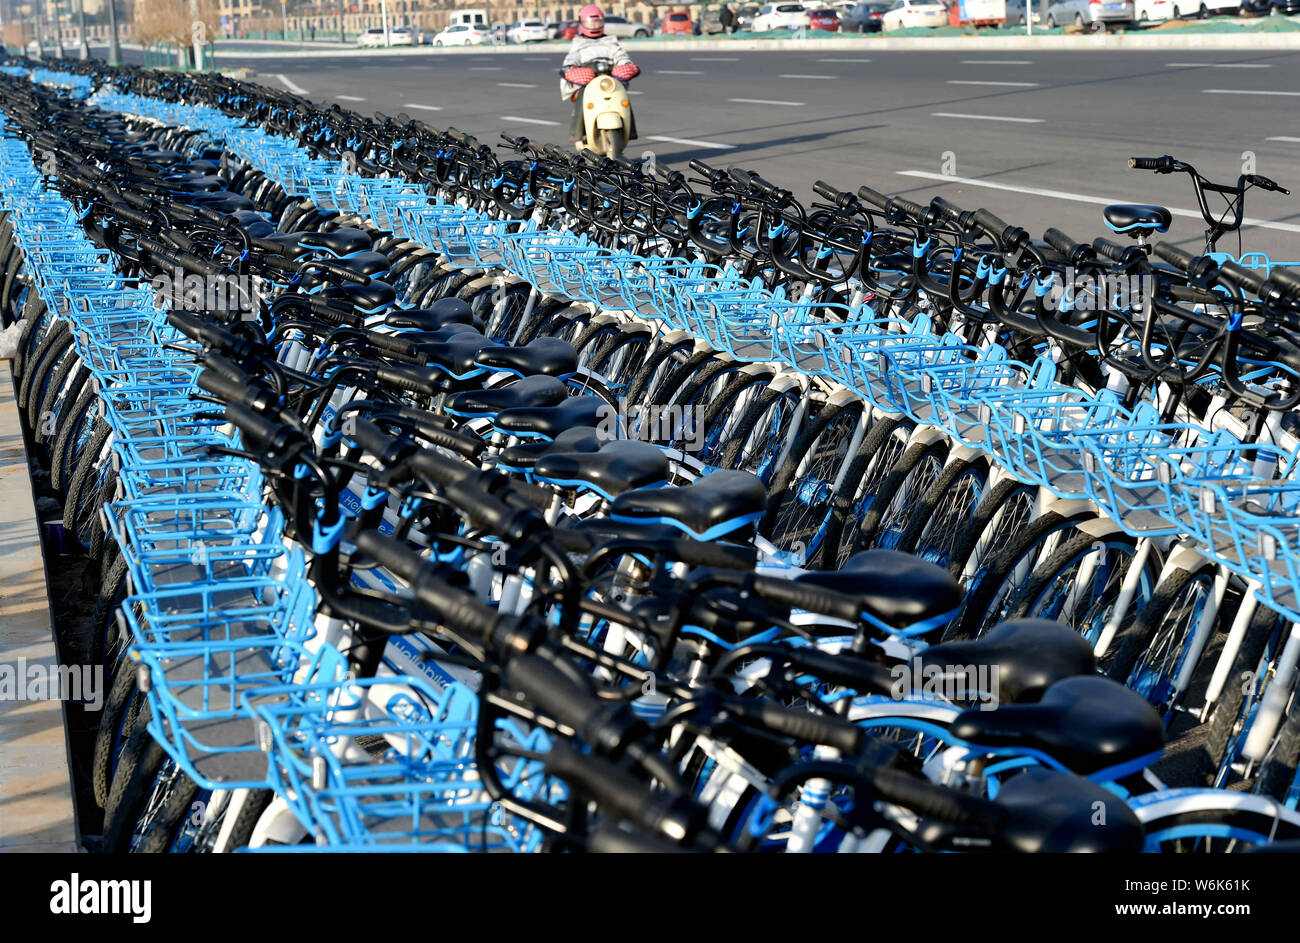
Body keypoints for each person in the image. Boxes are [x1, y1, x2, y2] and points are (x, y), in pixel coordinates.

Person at [560, 5, 641, 145]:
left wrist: (625, 66)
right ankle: (577, 133)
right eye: (590, 22)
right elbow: (571, 60)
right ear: (582, 23)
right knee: (582, 97)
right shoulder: (579, 43)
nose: (594, 26)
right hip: (588, 79)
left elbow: (621, 56)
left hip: (610, 78)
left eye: (597, 22)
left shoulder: (611, 42)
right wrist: (570, 70)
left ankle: (629, 130)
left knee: (622, 98)